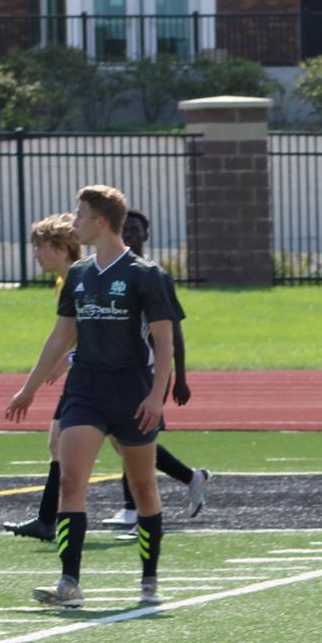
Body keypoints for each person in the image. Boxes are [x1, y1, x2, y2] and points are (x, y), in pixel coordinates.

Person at [3, 185, 180, 607]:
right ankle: (69, 582)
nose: (75, 222)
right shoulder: (78, 275)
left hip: (132, 393)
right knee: (69, 481)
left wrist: (157, 397)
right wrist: (28, 388)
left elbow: (165, 344)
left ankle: (149, 580)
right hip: (85, 390)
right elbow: (60, 336)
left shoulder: (146, 275)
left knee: (143, 488)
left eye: (81, 216)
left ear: (100, 222)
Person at [102, 210, 210, 534]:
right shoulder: (111, 273)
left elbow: (173, 333)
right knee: (124, 437)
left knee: (133, 436)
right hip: (118, 370)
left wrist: (181, 377)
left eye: (135, 230)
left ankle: (135, 509)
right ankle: (191, 478)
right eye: (125, 230)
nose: (131, 235)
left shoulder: (153, 275)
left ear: (146, 235)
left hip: (149, 371)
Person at [2, 214, 81, 542]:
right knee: (58, 443)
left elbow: (98, 332)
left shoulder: (80, 279)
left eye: (41, 246)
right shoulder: (64, 281)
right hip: (86, 369)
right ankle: (48, 520)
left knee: (126, 444)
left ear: (62, 249)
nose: (35, 254)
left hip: (100, 373)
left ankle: (183, 481)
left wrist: (67, 360)